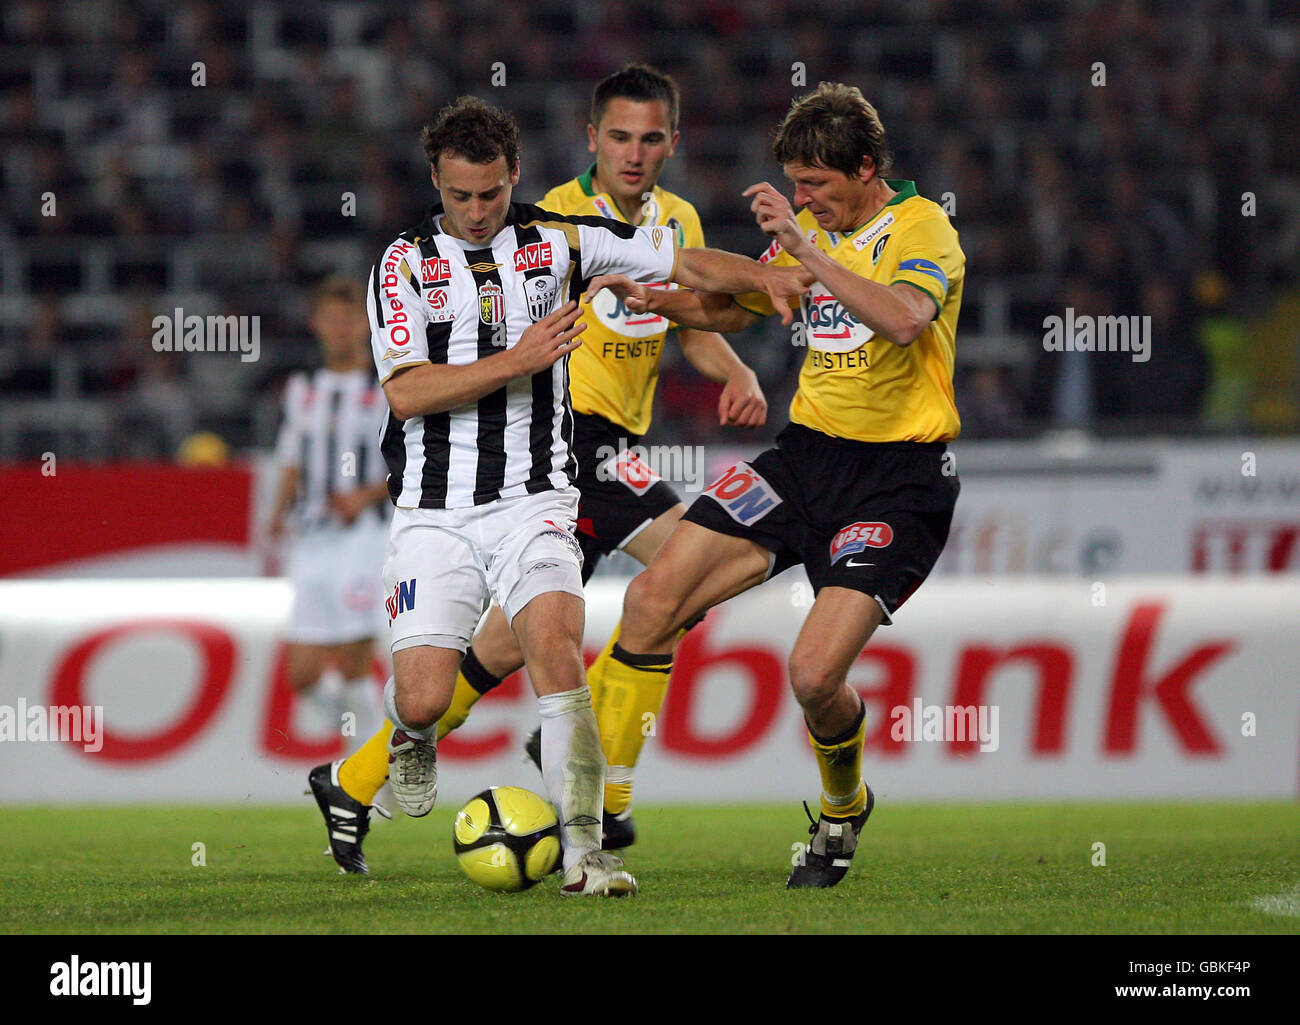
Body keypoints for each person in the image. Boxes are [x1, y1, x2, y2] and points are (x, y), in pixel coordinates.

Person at [307, 95, 806, 894]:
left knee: (556, 645)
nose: (477, 212)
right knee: (425, 696)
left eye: (492, 193)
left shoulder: (560, 238)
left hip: (538, 492)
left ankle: (587, 851)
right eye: (461, 195)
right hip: (435, 509)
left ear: (515, 178)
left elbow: (684, 265)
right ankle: (399, 744)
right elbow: (406, 394)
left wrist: (774, 276)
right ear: (435, 179)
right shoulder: (401, 264)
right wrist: (520, 358)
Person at [584, 82, 965, 888]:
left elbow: (903, 319)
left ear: (866, 169)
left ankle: (842, 805)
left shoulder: (922, 226)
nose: (803, 200)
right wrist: (658, 300)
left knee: (813, 676)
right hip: (802, 461)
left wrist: (811, 251)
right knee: (652, 601)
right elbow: (739, 309)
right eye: (794, 185)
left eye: (818, 185)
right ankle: (603, 812)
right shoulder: (809, 233)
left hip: (898, 481)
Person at [270, 276, 389, 743]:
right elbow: (291, 458)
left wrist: (365, 496)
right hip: (313, 538)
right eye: (332, 318)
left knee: (353, 658)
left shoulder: (388, 385)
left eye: (350, 317)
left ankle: (369, 776)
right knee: (302, 673)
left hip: (366, 536)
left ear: (366, 322)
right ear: (315, 324)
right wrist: (276, 515)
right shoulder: (303, 389)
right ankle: (370, 736)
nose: (342, 327)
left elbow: (415, 461)